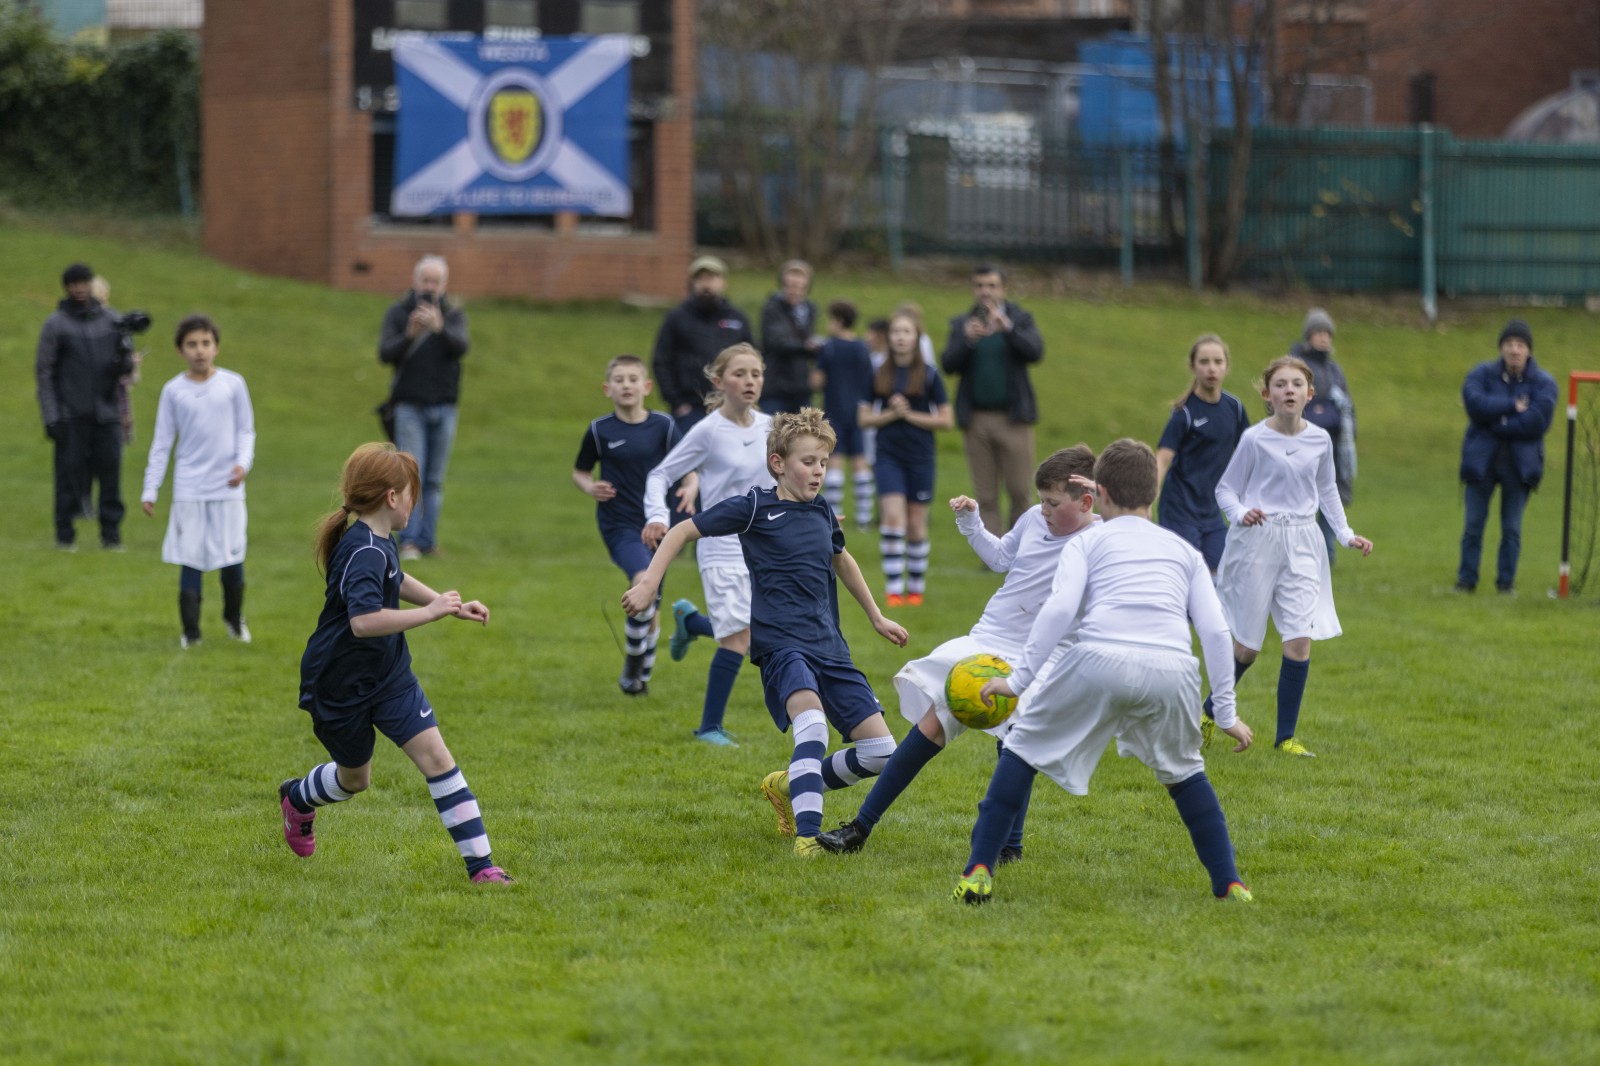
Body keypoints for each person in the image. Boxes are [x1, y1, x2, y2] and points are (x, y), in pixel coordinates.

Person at [951, 439, 1255, 906]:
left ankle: (978, 870)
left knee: (1020, 750)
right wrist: (1227, 713)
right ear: (1153, 493)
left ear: (1101, 494)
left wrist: (1016, 682)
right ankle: (1230, 882)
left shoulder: (1089, 540)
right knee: (1186, 774)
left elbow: (1057, 612)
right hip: (1172, 668)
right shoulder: (1184, 550)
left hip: (1099, 658)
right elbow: (1215, 632)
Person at [623, 409, 910, 855]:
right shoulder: (755, 506)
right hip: (782, 647)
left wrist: (876, 616)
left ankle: (787, 783)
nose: (818, 471)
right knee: (811, 729)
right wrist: (647, 583)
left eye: (823, 462)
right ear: (778, 463)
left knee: (881, 751)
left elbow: (843, 559)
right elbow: (682, 530)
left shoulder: (821, 510)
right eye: (808, 461)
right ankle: (808, 840)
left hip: (830, 646)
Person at [817, 445, 1099, 857]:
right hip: (990, 637)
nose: (1044, 510)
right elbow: (1001, 558)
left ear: (1088, 501)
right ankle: (859, 828)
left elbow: (1136, 516)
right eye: (1041, 501)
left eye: (1054, 503)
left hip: (1042, 656)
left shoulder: (1102, 540)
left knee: (1015, 741)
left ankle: (1010, 846)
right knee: (932, 725)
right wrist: (971, 522)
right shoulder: (1033, 520)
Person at [277, 442, 511, 884]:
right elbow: (364, 622)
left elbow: (396, 579)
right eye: (412, 495)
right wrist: (431, 613)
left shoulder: (382, 541)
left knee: (438, 759)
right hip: (339, 684)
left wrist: (450, 605)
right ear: (392, 497)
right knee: (354, 781)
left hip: (388, 677)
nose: (414, 504)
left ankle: (482, 867)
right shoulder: (362, 550)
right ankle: (298, 798)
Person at [1207, 356, 1374, 759]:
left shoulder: (1320, 439)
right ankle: (1210, 711)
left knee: (1299, 640)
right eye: (1280, 385)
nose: (1289, 391)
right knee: (1247, 647)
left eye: (1297, 384)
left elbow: (1328, 490)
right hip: (1259, 541)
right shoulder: (1254, 439)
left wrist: (1346, 534)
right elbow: (1225, 490)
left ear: (1309, 394)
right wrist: (1240, 513)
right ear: (1267, 395)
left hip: (1303, 542)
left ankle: (1285, 739)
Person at [643, 344, 774, 747]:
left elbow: (786, 478)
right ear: (719, 381)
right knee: (740, 638)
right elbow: (660, 475)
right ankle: (709, 728)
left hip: (763, 544)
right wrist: (658, 517)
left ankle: (691, 623)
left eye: (756, 373)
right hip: (719, 544)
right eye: (740, 374)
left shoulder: (771, 425)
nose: (749, 381)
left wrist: (817, 512)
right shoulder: (708, 431)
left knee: (757, 632)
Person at [573, 355, 695, 696]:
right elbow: (580, 471)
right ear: (607, 388)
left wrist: (691, 485)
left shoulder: (664, 426)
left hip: (661, 526)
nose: (626, 385)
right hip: (619, 524)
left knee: (650, 601)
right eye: (619, 380)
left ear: (646, 387)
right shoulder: (599, 430)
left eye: (632, 379)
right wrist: (589, 487)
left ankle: (641, 674)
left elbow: (690, 465)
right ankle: (632, 663)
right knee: (644, 583)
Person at [140, 315, 256, 649]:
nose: (199, 351)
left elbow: (246, 430)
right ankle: (191, 634)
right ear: (180, 351)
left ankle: (234, 620)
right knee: (190, 558)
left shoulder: (233, 384)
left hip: (228, 489)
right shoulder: (173, 391)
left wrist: (241, 465)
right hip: (189, 489)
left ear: (216, 347)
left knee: (232, 558)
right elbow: (162, 443)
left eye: (205, 343)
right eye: (192, 344)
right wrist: (151, 489)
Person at [36, 261, 136, 551]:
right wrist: (51, 416)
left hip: (107, 415)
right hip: (71, 416)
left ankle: (111, 534)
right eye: (74, 284)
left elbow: (124, 368)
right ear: (66, 287)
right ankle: (65, 534)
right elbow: (44, 373)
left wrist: (126, 355)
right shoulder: (56, 325)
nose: (80, 289)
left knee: (111, 476)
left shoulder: (111, 321)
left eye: (84, 283)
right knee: (68, 476)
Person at [941, 263, 1045, 534]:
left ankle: (1021, 547)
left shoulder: (1020, 319)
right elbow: (948, 365)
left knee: (1020, 490)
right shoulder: (963, 323)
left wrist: (1008, 330)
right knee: (985, 494)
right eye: (979, 286)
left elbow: (1035, 352)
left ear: (1003, 288)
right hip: (976, 419)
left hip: (1013, 418)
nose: (985, 291)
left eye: (991, 286)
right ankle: (993, 552)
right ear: (972, 289)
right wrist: (966, 341)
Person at [378, 255, 470, 562]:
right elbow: (385, 353)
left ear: (444, 284)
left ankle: (428, 541)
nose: (430, 287)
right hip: (409, 406)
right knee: (409, 475)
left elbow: (461, 348)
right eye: (425, 280)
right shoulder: (399, 312)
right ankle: (409, 541)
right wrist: (410, 335)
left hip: (444, 406)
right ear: (415, 281)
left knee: (434, 478)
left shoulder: (453, 313)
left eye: (436, 281)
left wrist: (440, 328)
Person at [1456, 319, 1558, 594]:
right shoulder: (1482, 374)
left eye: (1520, 345)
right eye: (1509, 344)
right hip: (1481, 463)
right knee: (1473, 526)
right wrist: (1512, 406)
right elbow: (1475, 404)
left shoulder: (1543, 382)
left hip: (1519, 466)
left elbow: (1538, 420)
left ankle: (1506, 584)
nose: (1514, 350)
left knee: (1511, 529)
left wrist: (1497, 423)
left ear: (1529, 351)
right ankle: (1466, 581)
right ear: (1501, 348)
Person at [859, 312, 954, 607]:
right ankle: (892, 591)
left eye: (906, 331)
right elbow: (863, 419)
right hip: (888, 456)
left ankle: (915, 590)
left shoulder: (929, 374)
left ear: (916, 337)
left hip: (921, 457)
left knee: (915, 524)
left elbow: (946, 420)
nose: (900, 336)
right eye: (896, 331)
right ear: (888, 338)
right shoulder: (877, 373)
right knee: (892, 517)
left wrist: (908, 414)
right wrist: (890, 415)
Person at [1156, 334, 1251, 574]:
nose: (1211, 368)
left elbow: (1251, 456)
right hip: (1179, 508)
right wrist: (1148, 498)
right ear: (1192, 366)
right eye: (1204, 362)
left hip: (1211, 510)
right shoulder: (1184, 413)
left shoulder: (1235, 408)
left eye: (1218, 362)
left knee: (1222, 574)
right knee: (1186, 574)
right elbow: (1163, 458)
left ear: (1226, 367)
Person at [651, 256, 754, 438]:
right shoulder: (677, 318)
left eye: (712, 278)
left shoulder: (737, 319)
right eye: (701, 279)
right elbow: (661, 361)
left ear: (723, 282)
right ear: (693, 283)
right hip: (689, 409)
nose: (707, 284)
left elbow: (753, 360)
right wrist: (676, 402)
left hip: (731, 408)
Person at [1289, 309, 1357, 565]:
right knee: (1302, 500)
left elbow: (1348, 405)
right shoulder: (1295, 364)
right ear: (1308, 335)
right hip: (1300, 445)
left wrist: (1351, 433)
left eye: (1327, 333)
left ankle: (1328, 553)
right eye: (1318, 332)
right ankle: (1299, 551)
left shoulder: (1334, 369)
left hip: (1333, 446)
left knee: (1331, 495)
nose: (1323, 338)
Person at [811, 299, 876, 531]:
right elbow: (871, 379)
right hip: (858, 413)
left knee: (834, 461)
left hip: (834, 411)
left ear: (837, 320)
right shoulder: (862, 348)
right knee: (860, 461)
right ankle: (864, 518)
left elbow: (817, 381)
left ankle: (835, 514)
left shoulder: (829, 347)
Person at [759, 259, 820, 414]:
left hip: (800, 387)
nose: (795, 291)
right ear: (783, 285)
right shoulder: (772, 309)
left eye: (800, 287)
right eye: (791, 285)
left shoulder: (809, 310)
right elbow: (776, 342)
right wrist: (806, 346)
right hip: (776, 387)